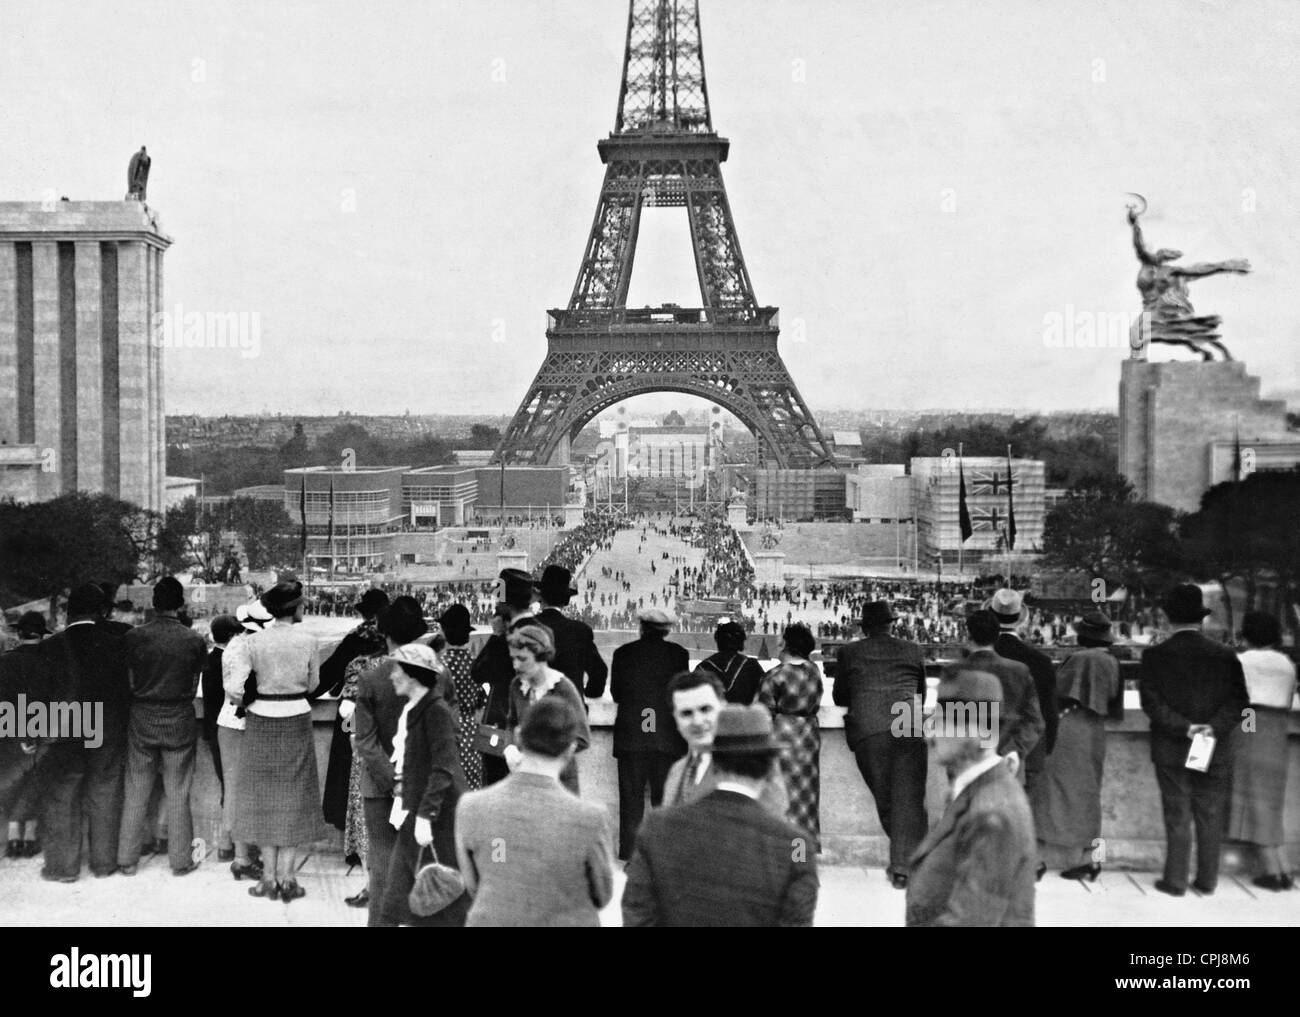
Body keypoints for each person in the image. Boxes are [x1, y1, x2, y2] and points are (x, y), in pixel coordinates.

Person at [622, 705, 820, 927]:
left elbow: (637, 914)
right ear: (769, 770)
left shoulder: (656, 828)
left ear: (714, 764)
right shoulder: (796, 845)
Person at [455, 697, 614, 926]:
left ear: (519, 736)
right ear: (570, 749)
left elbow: (474, 885)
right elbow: (602, 894)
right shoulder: (591, 818)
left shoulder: (470, 806)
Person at [1139, 584, 1249, 896]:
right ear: (1200, 619)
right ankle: (1207, 879)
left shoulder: (1155, 655)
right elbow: (1240, 702)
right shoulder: (1226, 655)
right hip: (1214, 744)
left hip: (1172, 744)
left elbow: (1152, 703)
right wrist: (1211, 728)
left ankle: (1175, 880)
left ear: (1167, 617)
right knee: (1210, 814)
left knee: (1177, 814)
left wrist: (1186, 727)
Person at [906, 667, 1036, 927]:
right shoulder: (979, 793)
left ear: (975, 731)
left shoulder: (992, 814)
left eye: (940, 721)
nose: (930, 734)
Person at [223, 579, 322, 902]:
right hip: (296, 717)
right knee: (296, 795)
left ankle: (267, 877)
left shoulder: (253, 642)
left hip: (261, 719)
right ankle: (288, 877)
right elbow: (313, 684)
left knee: (263, 796)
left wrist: (252, 700)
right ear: (294, 608)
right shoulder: (309, 640)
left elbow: (236, 690)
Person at [831, 601, 929, 888]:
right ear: (892, 624)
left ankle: (905, 866)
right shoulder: (914, 650)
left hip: (870, 728)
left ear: (864, 627)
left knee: (887, 800)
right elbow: (921, 690)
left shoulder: (848, 652)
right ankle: (907, 865)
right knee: (910, 802)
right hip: (907, 721)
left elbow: (839, 697)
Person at [117, 577, 206, 877]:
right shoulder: (193, 640)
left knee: (136, 788)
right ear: (180, 604)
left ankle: (127, 859)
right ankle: (180, 860)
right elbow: (194, 684)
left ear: (153, 603)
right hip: (179, 715)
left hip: (142, 715)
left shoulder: (133, 637)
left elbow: (129, 681)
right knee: (178, 790)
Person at [378, 643, 471, 927]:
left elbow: (444, 767)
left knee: (438, 902)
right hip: (417, 814)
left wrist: (424, 816)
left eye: (397, 669)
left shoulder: (435, 711)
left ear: (414, 675)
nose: (392, 675)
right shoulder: (415, 708)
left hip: (437, 819)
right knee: (403, 901)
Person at [1030, 610, 1124, 880]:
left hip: (1066, 727)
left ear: (1084, 634)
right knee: (1088, 795)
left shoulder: (1079, 658)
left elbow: (1054, 692)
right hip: (1094, 730)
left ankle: (1036, 859)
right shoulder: (1111, 661)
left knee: (1046, 791)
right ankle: (1090, 859)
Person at [610, 608, 690, 859]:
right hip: (666, 738)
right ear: (666, 630)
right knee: (664, 801)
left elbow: (616, 693)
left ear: (641, 628)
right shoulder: (678, 654)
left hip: (632, 737)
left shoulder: (623, 653)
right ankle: (662, 854)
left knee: (631, 800)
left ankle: (629, 853)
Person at [1226, 611, 1297, 891]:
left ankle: (1273, 871)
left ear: (1247, 634)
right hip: (1276, 731)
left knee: (1255, 799)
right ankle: (1283, 869)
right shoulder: (1287, 663)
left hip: (1250, 724)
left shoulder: (1242, 661)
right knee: (1270, 802)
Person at [317, 588, 389, 845]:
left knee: (347, 767)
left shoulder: (355, 639)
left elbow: (329, 673)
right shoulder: (391, 638)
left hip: (352, 714)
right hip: (383, 712)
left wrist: (306, 694)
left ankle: (352, 836)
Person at [661, 670, 788, 814]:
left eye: (705, 709)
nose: (697, 721)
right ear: (675, 717)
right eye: (686, 713)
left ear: (723, 706)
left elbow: (773, 821)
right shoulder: (676, 771)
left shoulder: (752, 764)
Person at [758, 623, 823, 850]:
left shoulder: (775, 675)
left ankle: (780, 850)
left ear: (786, 644)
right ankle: (801, 853)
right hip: (808, 735)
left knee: (779, 795)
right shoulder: (813, 671)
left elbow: (763, 713)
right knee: (805, 797)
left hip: (781, 735)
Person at [503, 624, 590, 795]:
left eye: (522, 659)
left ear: (540, 657)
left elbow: (582, 738)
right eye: (513, 658)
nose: (515, 665)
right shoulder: (517, 686)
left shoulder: (562, 688)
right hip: (524, 782)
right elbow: (511, 722)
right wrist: (510, 748)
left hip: (560, 783)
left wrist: (540, 756)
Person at [215, 606, 268, 883]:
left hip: (229, 721)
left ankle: (233, 848)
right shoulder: (250, 646)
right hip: (244, 722)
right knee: (244, 791)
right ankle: (243, 856)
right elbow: (238, 691)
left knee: (234, 787)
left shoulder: (234, 644)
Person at [964, 610, 1045, 785]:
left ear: (968, 636)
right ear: (996, 637)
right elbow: (1035, 721)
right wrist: (1014, 750)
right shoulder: (1020, 671)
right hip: (1009, 764)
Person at [990, 589, 1058, 793]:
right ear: (1020, 619)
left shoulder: (975, 659)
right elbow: (1049, 714)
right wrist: (1045, 749)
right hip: (1028, 753)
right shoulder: (1041, 662)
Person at [0, 612, 52, 860]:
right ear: (42, 635)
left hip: (8, 729)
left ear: (19, 634)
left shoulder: (5, 662)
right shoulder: (51, 663)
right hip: (41, 729)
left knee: (11, 780)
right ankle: (30, 835)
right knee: (35, 780)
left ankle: (12, 836)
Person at [200, 615, 243, 862]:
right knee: (232, 788)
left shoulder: (211, 659)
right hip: (227, 730)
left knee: (228, 788)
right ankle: (230, 844)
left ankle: (228, 844)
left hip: (214, 729)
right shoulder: (228, 661)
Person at [531, 565, 608, 700]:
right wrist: (590, 693)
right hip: (571, 711)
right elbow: (599, 671)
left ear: (541, 596)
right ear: (566, 600)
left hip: (535, 711)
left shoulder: (526, 627)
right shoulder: (580, 631)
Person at [438, 604, 486, 790]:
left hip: (448, 732)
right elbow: (481, 699)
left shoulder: (440, 666)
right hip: (472, 733)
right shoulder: (475, 664)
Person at [695, 620, 765, 705]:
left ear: (718, 640)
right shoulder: (751, 666)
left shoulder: (702, 668)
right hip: (744, 716)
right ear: (741, 641)